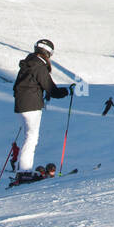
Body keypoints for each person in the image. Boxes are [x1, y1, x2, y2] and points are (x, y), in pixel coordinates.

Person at [12, 39, 69, 180]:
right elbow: (51, 88)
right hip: (31, 106)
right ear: (48, 52)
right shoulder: (39, 65)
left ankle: (21, 170)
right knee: (31, 138)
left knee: (28, 137)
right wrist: (67, 91)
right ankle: (24, 171)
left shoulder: (28, 63)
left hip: (22, 105)